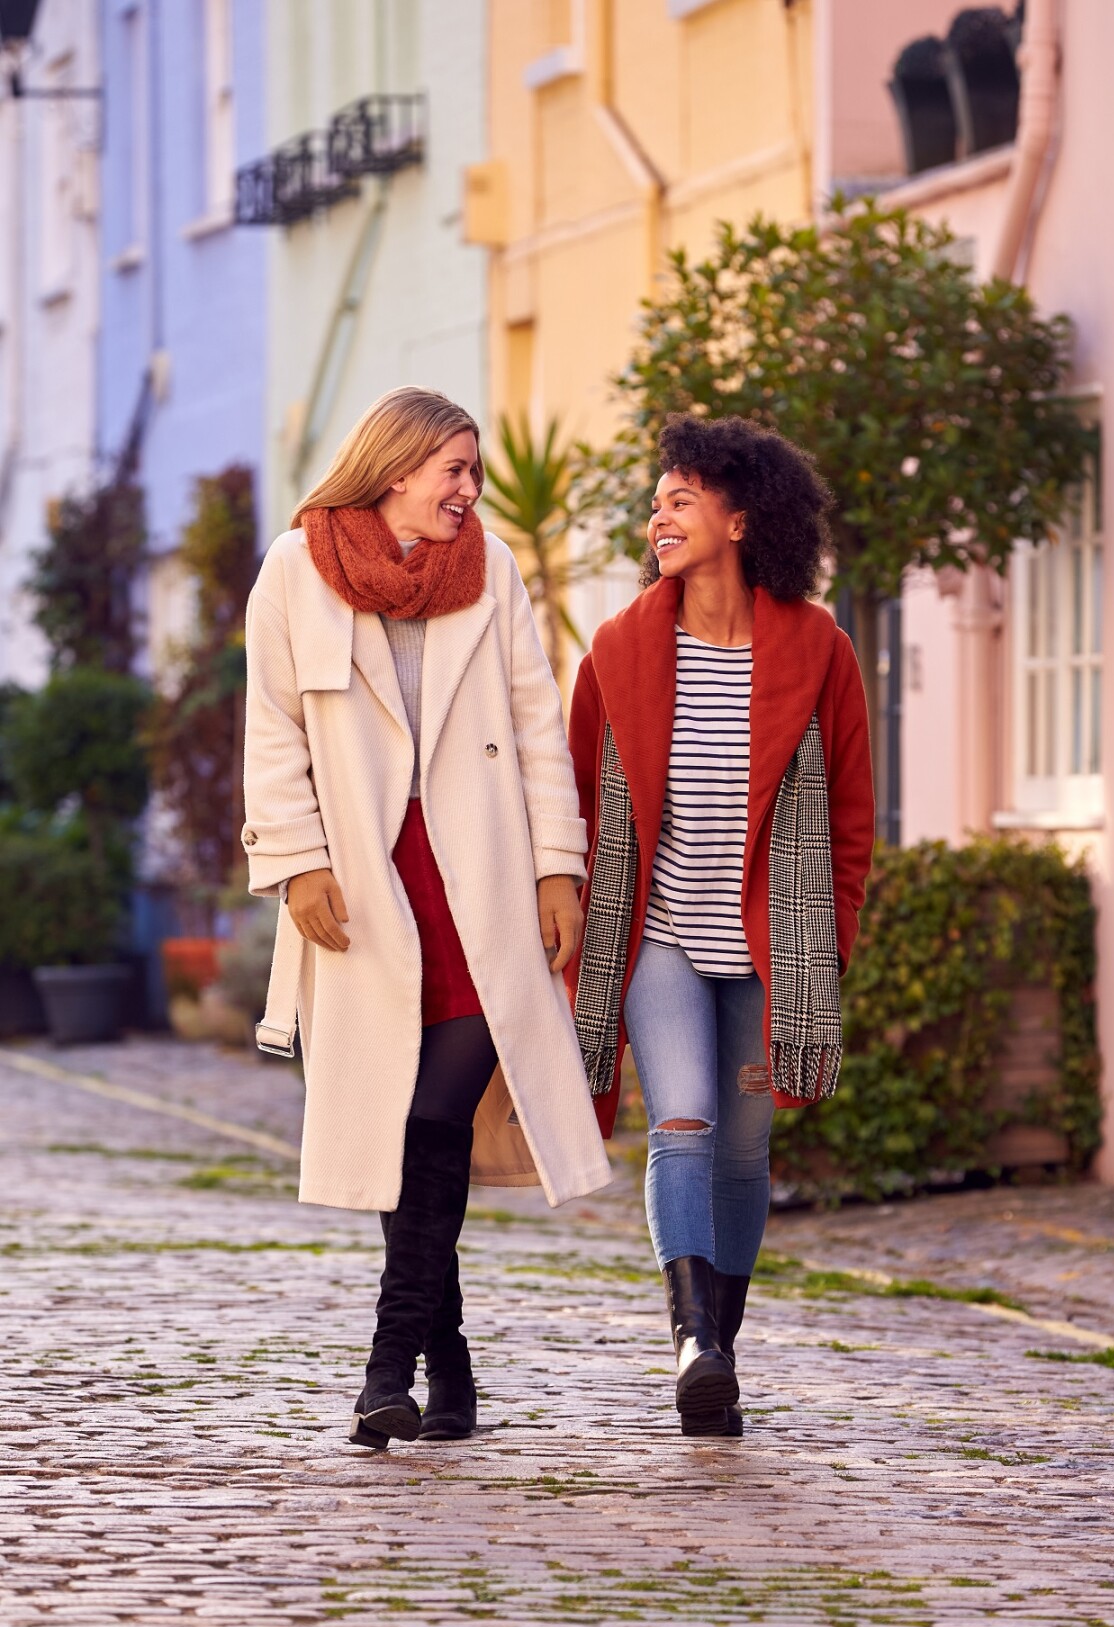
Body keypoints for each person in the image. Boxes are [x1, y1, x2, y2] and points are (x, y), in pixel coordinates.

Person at [242, 386, 610, 1449]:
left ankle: (385, 1370)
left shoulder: (492, 571)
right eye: (455, 468)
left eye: (477, 471)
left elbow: (537, 726)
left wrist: (557, 869)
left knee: (429, 1119)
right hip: (363, 892)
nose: (470, 489)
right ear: (396, 469)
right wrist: (297, 863)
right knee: (398, 1124)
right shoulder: (293, 570)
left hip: (478, 885)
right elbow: (272, 732)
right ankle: (443, 1365)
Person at [568, 414, 874, 1437]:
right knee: (684, 1124)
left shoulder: (819, 649)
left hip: (767, 947)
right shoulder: (618, 649)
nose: (658, 516)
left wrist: (827, 942)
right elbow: (578, 800)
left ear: (740, 521)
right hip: (657, 936)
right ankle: (693, 1343)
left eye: (682, 500)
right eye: (656, 502)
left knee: (745, 1152)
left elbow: (851, 818)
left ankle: (721, 1359)